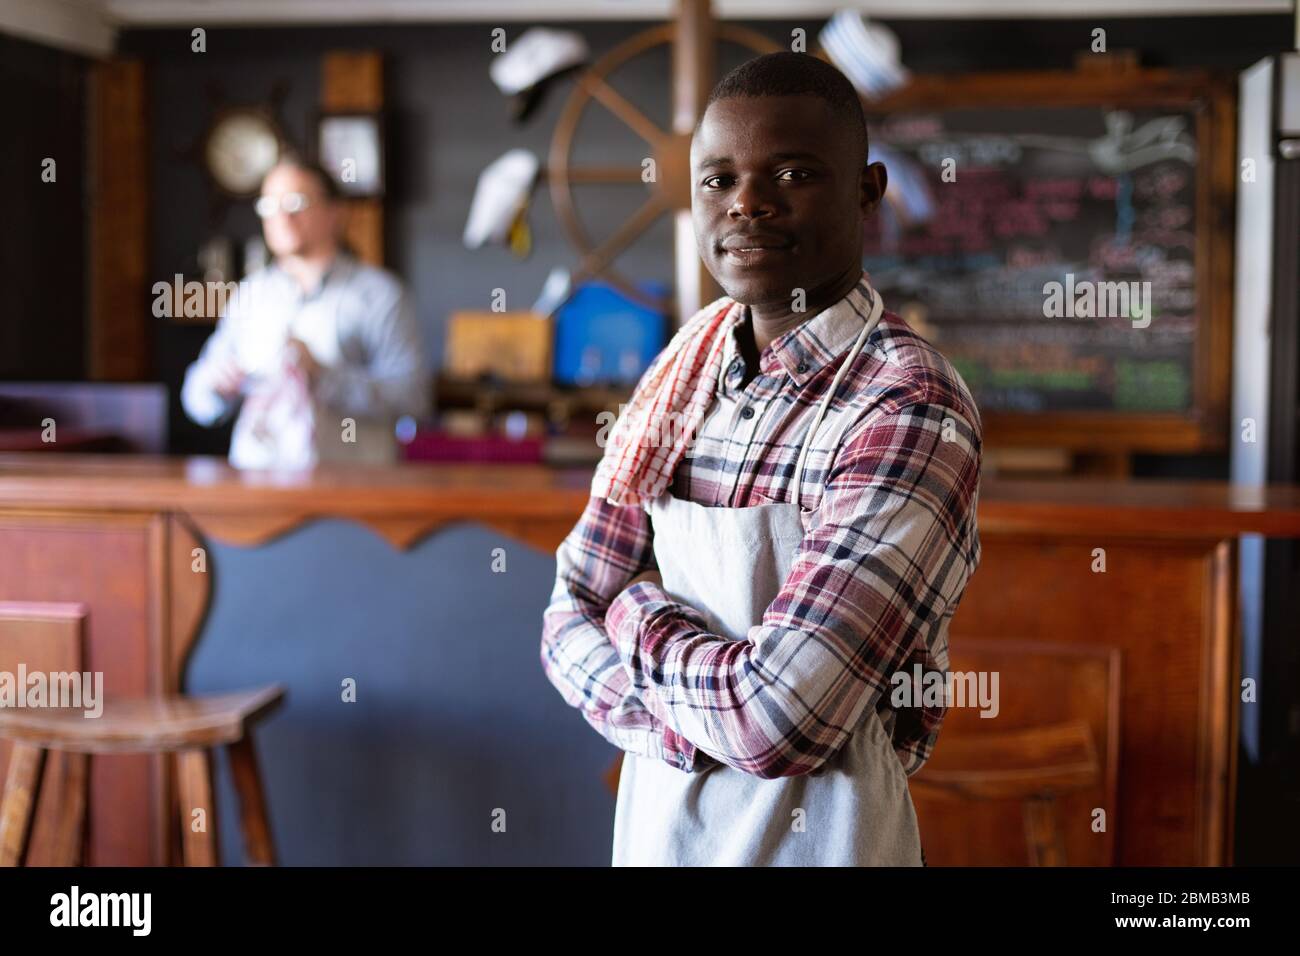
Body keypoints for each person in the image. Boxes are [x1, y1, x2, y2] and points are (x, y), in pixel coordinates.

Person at [540, 52, 982, 866]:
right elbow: (566, 621)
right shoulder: (687, 365)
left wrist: (637, 612)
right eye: (717, 179)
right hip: (657, 837)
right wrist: (693, 729)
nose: (747, 201)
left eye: (794, 172)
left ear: (867, 191)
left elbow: (776, 724)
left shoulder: (907, 405)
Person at [181, 158, 430, 469]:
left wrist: (323, 377)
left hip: (352, 490)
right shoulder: (251, 294)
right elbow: (196, 398)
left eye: (296, 203)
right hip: (257, 484)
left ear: (335, 212)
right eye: (269, 206)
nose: (282, 217)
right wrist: (216, 386)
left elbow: (413, 398)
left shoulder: (380, 296)